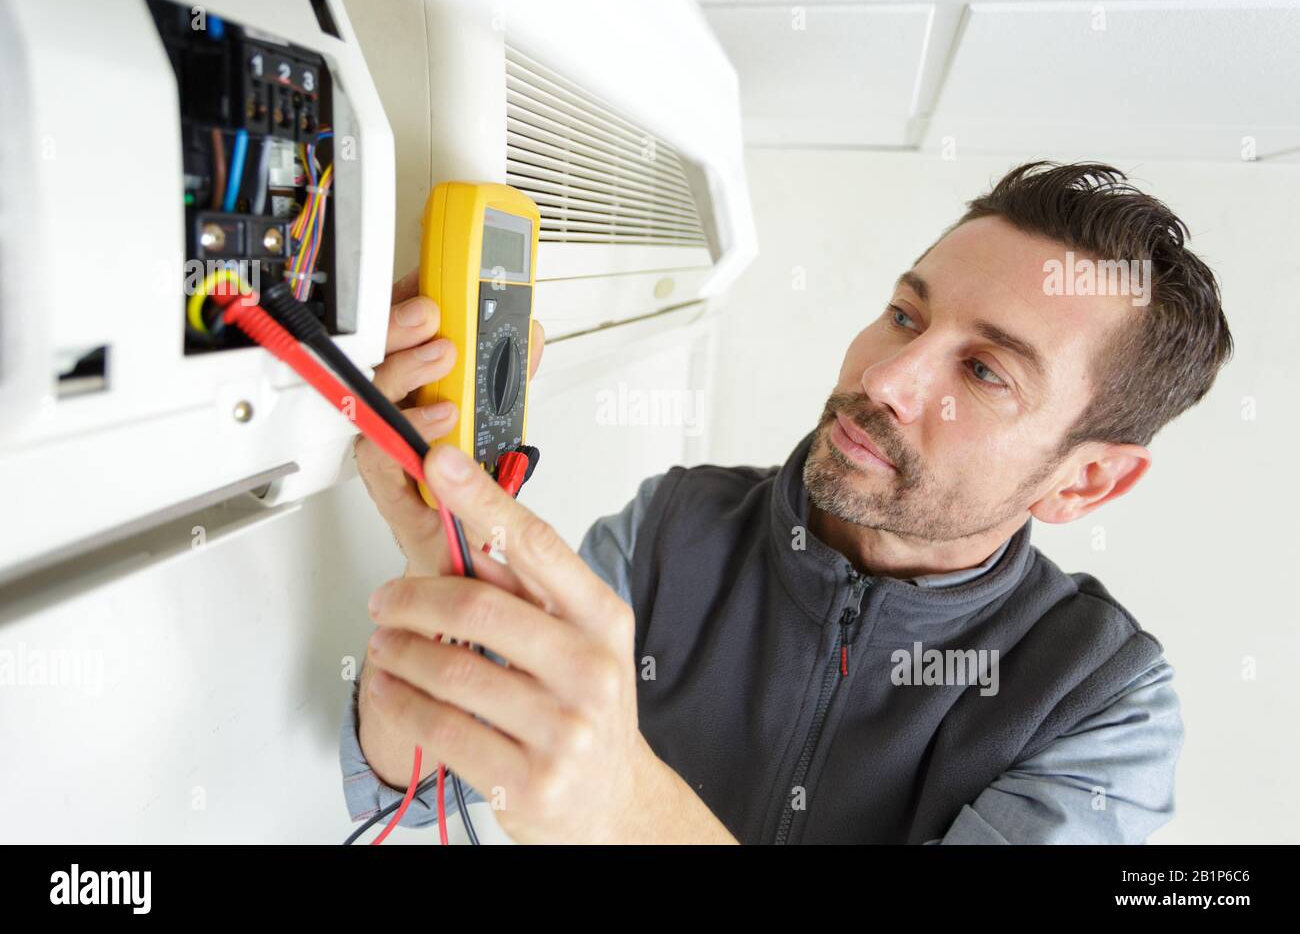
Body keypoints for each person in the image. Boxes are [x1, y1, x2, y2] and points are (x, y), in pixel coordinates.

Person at [340, 161, 1233, 843]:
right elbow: (414, 793)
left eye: (985, 370)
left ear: (1086, 481)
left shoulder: (1105, 702)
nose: (886, 378)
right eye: (907, 315)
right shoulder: (671, 528)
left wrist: (631, 808)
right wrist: (452, 574)